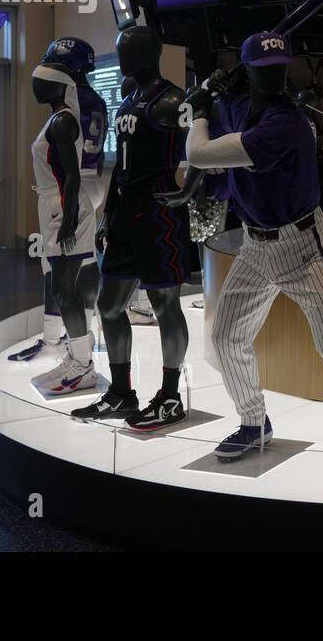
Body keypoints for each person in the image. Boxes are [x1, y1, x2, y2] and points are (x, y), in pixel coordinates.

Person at [174, 30, 323, 489]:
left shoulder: (285, 123)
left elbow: (200, 153)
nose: (274, 76)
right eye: (263, 69)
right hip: (254, 245)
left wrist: (201, 108)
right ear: (247, 71)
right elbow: (206, 160)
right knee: (226, 337)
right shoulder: (238, 109)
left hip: (303, 246)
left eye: (278, 67)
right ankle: (254, 422)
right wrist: (207, 105)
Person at [73, 25, 195, 428]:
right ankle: (122, 392)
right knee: (109, 304)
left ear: (146, 54)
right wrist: (107, 214)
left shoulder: (172, 101)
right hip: (125, 213)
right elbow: (120, 166)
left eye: (127, 50)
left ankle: (170, 395)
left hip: (159, 215)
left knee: (165, 306)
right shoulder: (127, 101)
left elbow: (203, 150)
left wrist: (186, 191)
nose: (122, 57)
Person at [28, 38, 100, 395]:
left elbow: (71, 176)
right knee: (63, 288)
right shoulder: (58, 118)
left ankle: (83, 364)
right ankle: (77, 357)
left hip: (63, 205)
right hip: (55, 204)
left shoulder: (62, 121)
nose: (35, 86)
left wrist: (69, 219)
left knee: (63, 288)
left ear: (59, 85)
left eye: (40, 80)